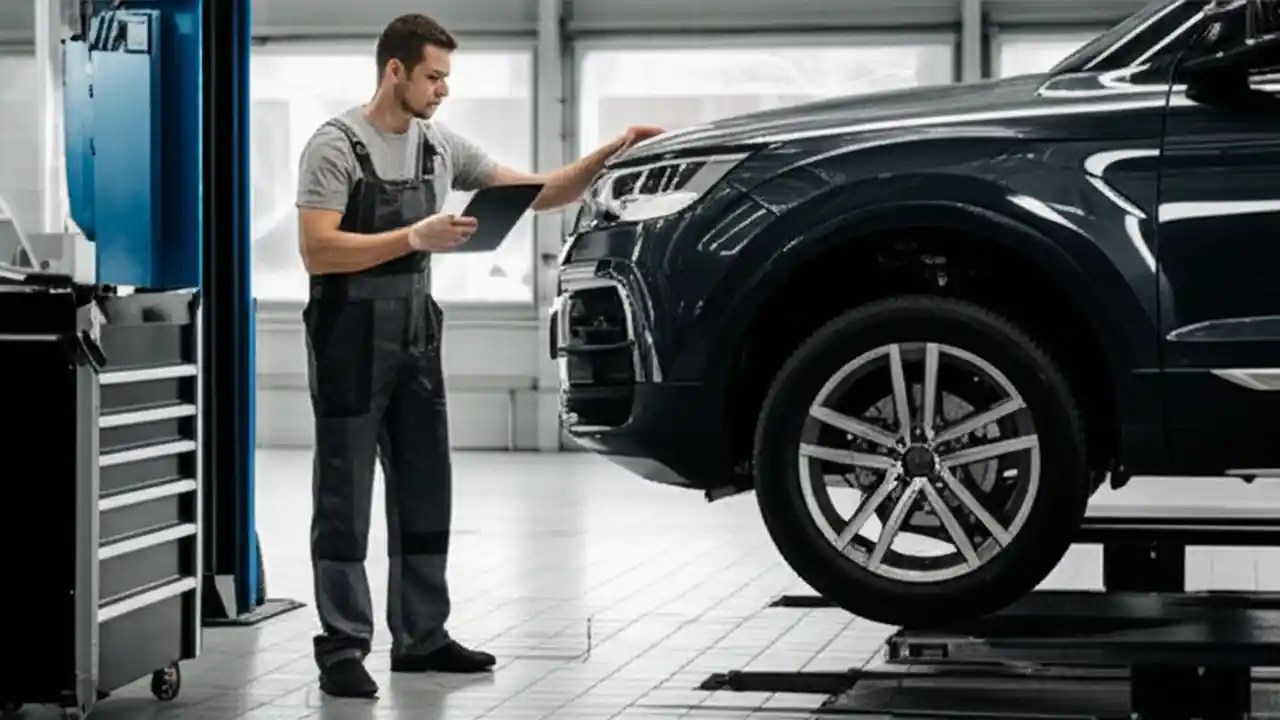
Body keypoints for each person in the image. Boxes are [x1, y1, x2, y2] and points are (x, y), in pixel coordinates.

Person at [293, 12, 662, 699]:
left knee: (427, 486)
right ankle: (343, 646)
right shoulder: (335, 145)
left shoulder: (439, 145)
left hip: (415, 336)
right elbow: (317, 249)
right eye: (433, 77)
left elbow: (540, 193)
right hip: (348, 337)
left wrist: (613, 152)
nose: (443, 90)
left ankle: (422, 638)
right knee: (344, 497)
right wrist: (415, 236)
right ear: (394, 70)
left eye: (447, 78)